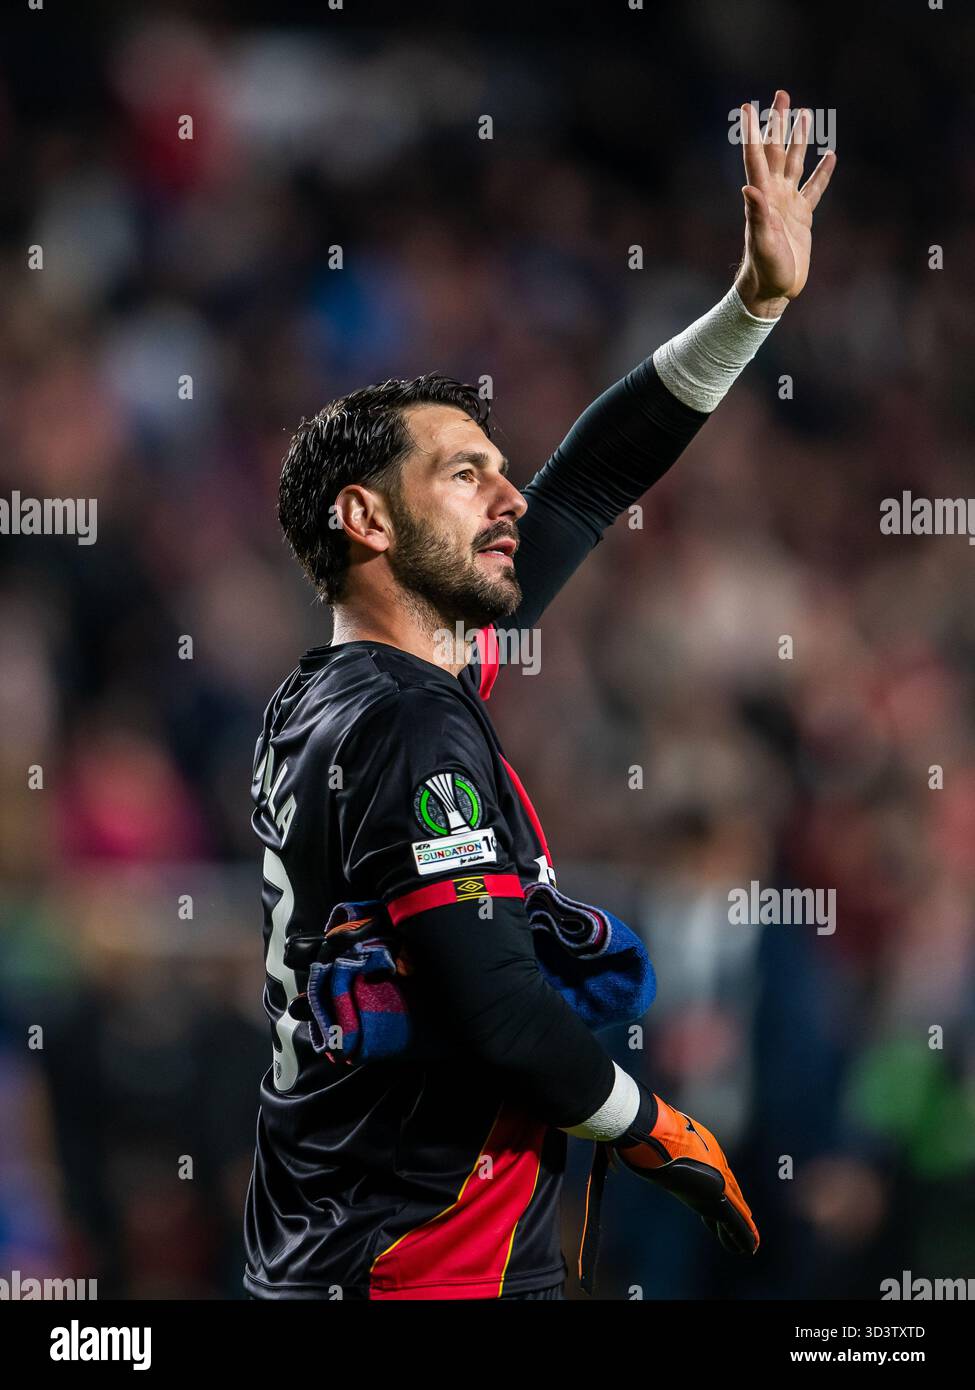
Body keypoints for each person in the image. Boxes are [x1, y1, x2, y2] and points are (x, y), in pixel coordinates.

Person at [243, 91, 836, 1300]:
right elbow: (501, 1010)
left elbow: (589, 480)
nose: (511, 497)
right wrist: (657, 1126)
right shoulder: (406, 719)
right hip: (417, 1263)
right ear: (366, 518)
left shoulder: (330, 696)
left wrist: (753, 306)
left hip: (346, 1239)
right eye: (467, 474)